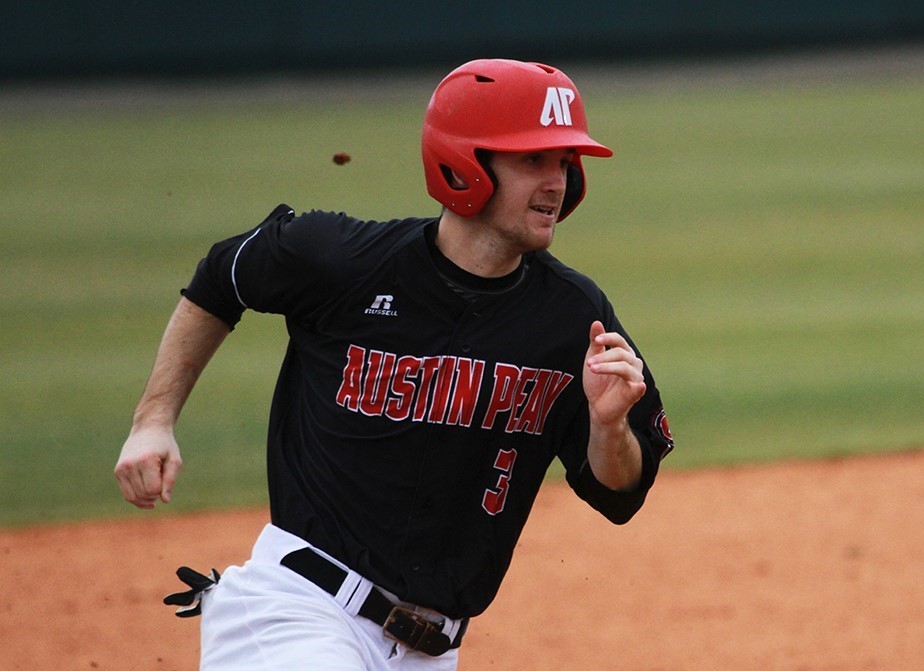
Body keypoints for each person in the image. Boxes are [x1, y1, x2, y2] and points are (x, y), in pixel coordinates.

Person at [114, 58, 674, 671]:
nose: (557, 182)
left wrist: (608, 425)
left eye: (565, 161)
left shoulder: (575, 317)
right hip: (300, 613)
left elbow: (619, 493)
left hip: (431, 654)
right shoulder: (342, 261)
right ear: (464, 164)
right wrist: (153, 418)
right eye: (533, 160)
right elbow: (223, 279)